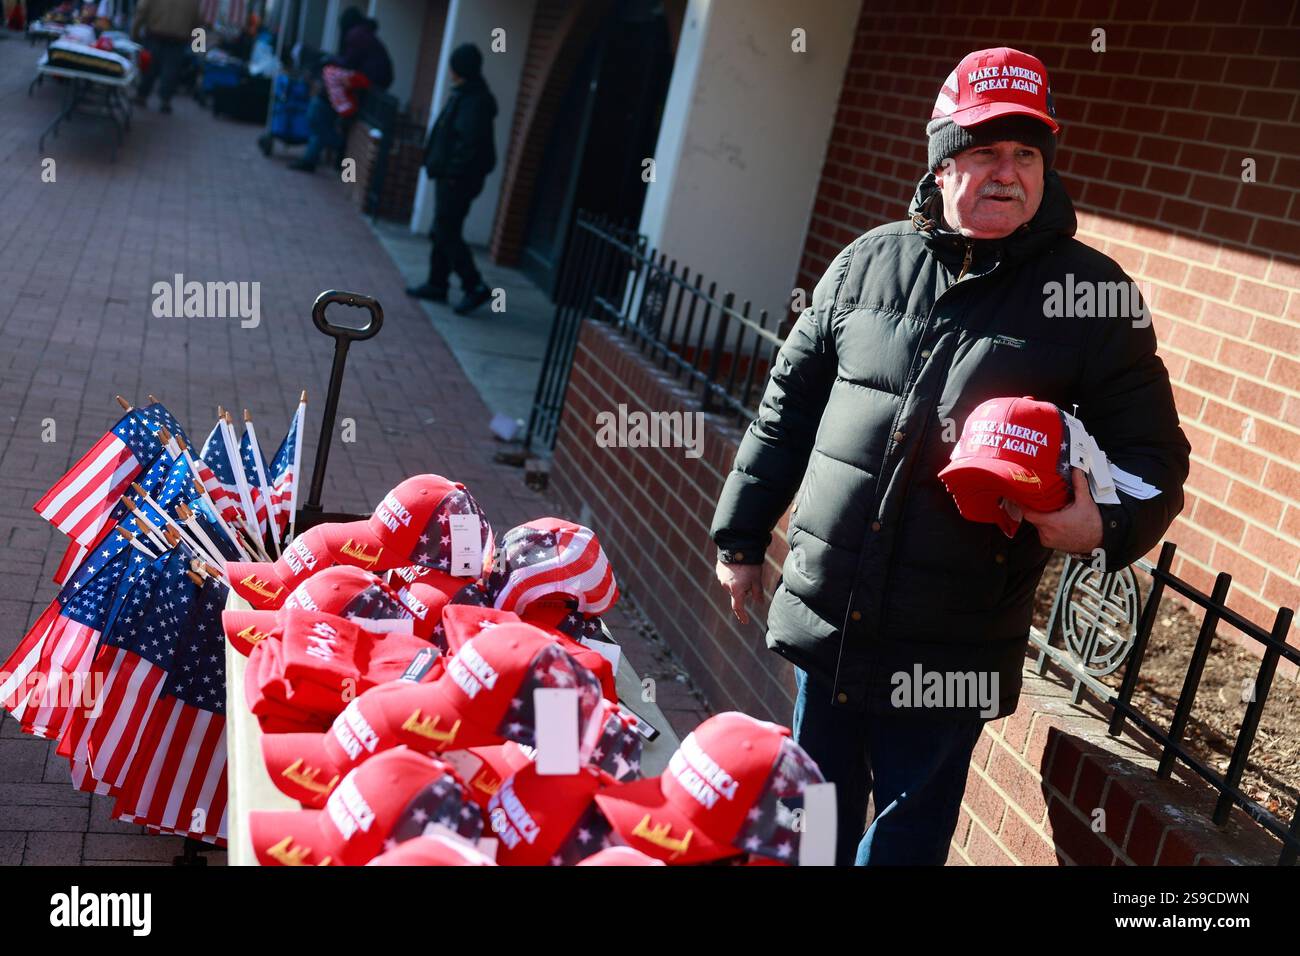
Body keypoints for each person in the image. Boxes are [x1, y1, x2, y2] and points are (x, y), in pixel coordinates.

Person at [709, 47, 1190, 867]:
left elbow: (1154, 460)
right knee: (813, 822)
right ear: (940, 163)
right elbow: (786, 413)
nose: (1007, 173)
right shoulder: (866, 262)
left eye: (1026, 154)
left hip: (952, 646)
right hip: (831, 616)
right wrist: (741, 539)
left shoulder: (1093, 298)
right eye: (983, 151)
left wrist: (1099, 524)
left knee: (904, 838)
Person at [405, 43, 497, 316]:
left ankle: (474, 284)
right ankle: (437, 283)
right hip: (452, 176)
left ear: (459, 69)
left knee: (446, 230)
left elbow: (468, 142)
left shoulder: (473, 100)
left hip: (458, 179)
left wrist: (454, 173)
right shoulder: (466, 95)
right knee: (442, 228)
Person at [289, 8, 393, 173]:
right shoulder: (363, 34)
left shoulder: (356, 35)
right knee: (321, 119)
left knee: (317, 117)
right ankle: (314, 159)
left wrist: (329, 61)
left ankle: (334, 151)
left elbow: (348, 63)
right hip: (360, 89)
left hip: (359, 89)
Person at [131, 0, 204, 114]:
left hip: (155, 35)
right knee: (171, 71)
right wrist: (197, 45)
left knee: (149, 67)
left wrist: (135, 33)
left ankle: (142, 95)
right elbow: (197, 21)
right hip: (178, 40)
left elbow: (142, 11)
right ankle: (165, 100)